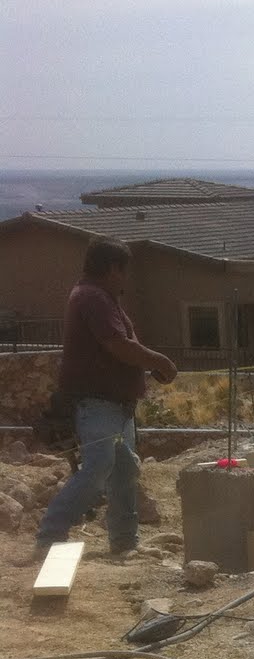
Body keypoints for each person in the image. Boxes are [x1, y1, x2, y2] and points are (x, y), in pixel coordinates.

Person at [35, 238, 177, 558]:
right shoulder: (93, 297)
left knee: (125, 471)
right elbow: (117, 344)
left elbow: (122, 345)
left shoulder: (100, 298)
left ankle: (124, 542)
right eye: (124, 271)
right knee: (99, 467)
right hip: (98, 404)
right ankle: (50, 536)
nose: (126, 279)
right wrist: (160, 362)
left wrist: (147, 364)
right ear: (113, 269)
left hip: (117, 406)